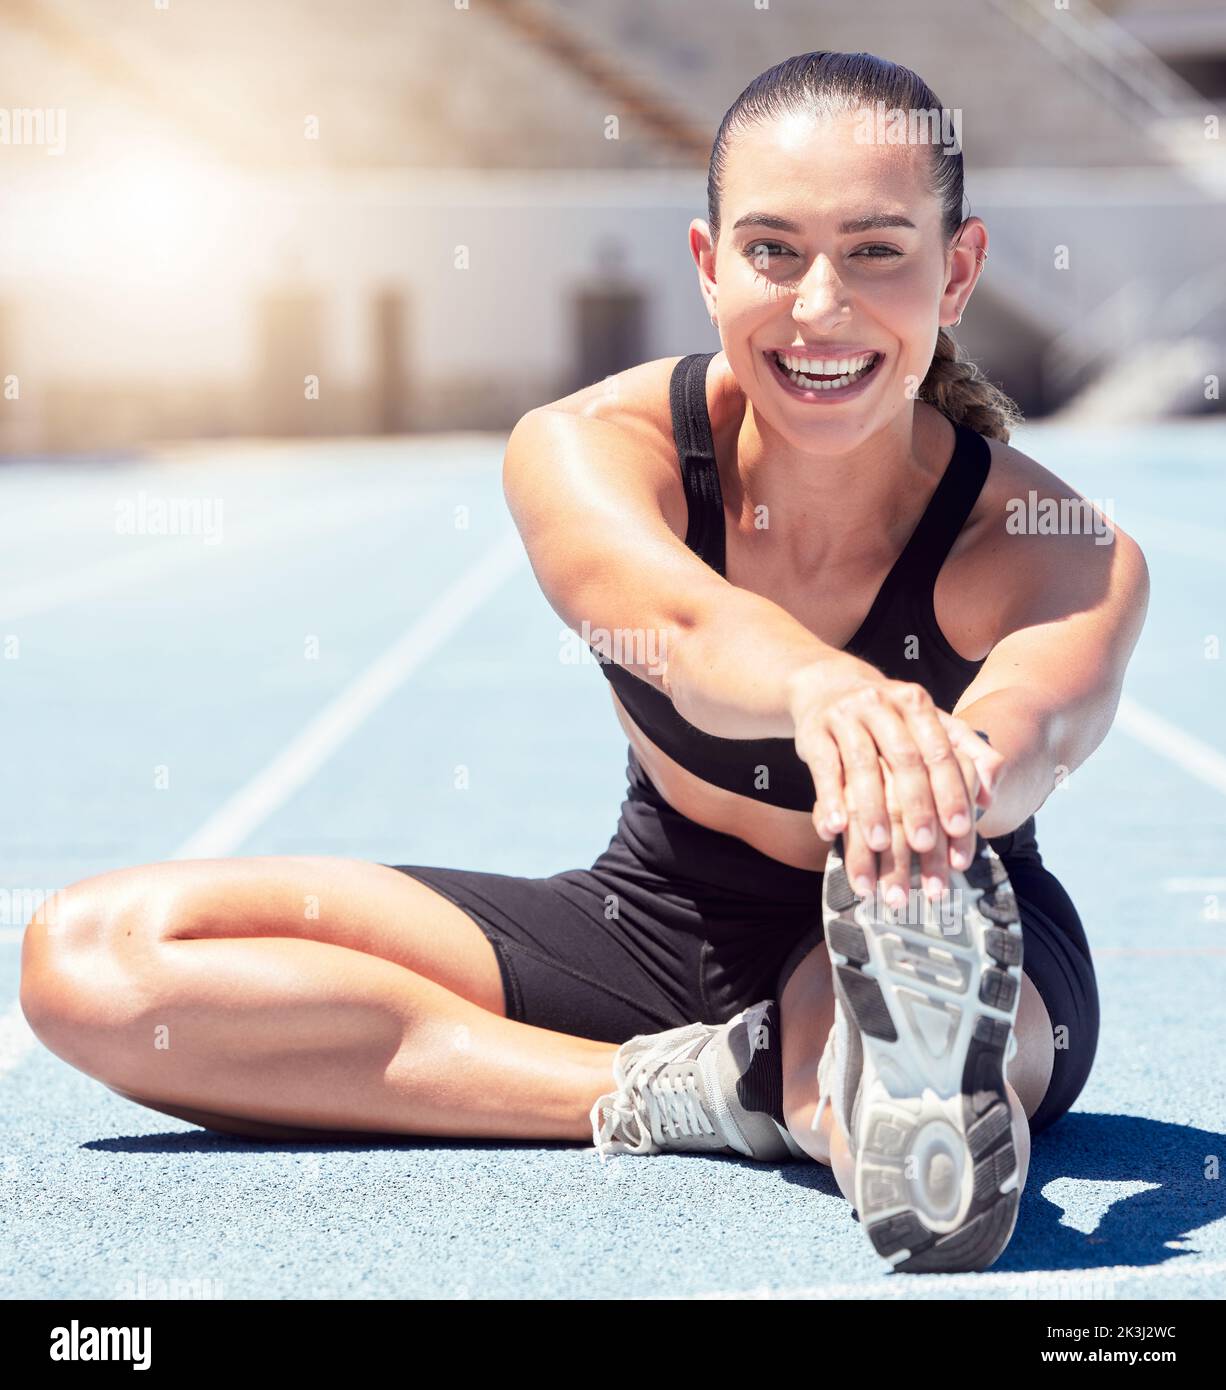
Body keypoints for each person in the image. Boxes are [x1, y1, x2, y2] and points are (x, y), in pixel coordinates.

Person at [19, 51, 1149, 1275]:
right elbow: (671, 625)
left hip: (935, 924)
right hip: (647, 922)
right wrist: (824, 688)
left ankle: (866, 1082)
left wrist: (939, 788)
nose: (818, 306)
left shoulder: (1058, 549)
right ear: (708, 268)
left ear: (958, 271)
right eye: (771, 250)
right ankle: (704, 1086)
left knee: (875, 1009)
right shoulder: (589, 449)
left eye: (876, 250)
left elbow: (1029, 730)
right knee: (95, 960)